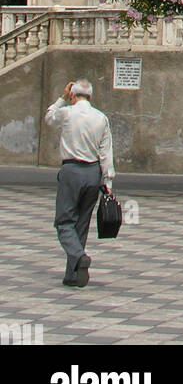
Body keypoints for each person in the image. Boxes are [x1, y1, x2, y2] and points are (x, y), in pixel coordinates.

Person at [44, 79, 114, 287]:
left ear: (73, 96)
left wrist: (62, 98)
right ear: (90, 96)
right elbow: (106, 152)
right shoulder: (101, 118)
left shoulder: (66, 112)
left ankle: (78, 255)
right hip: (93, 172)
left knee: (64, 222)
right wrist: (107, 179)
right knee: (81, 224)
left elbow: (49, 118)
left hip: (71, 170)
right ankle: (72, 274)